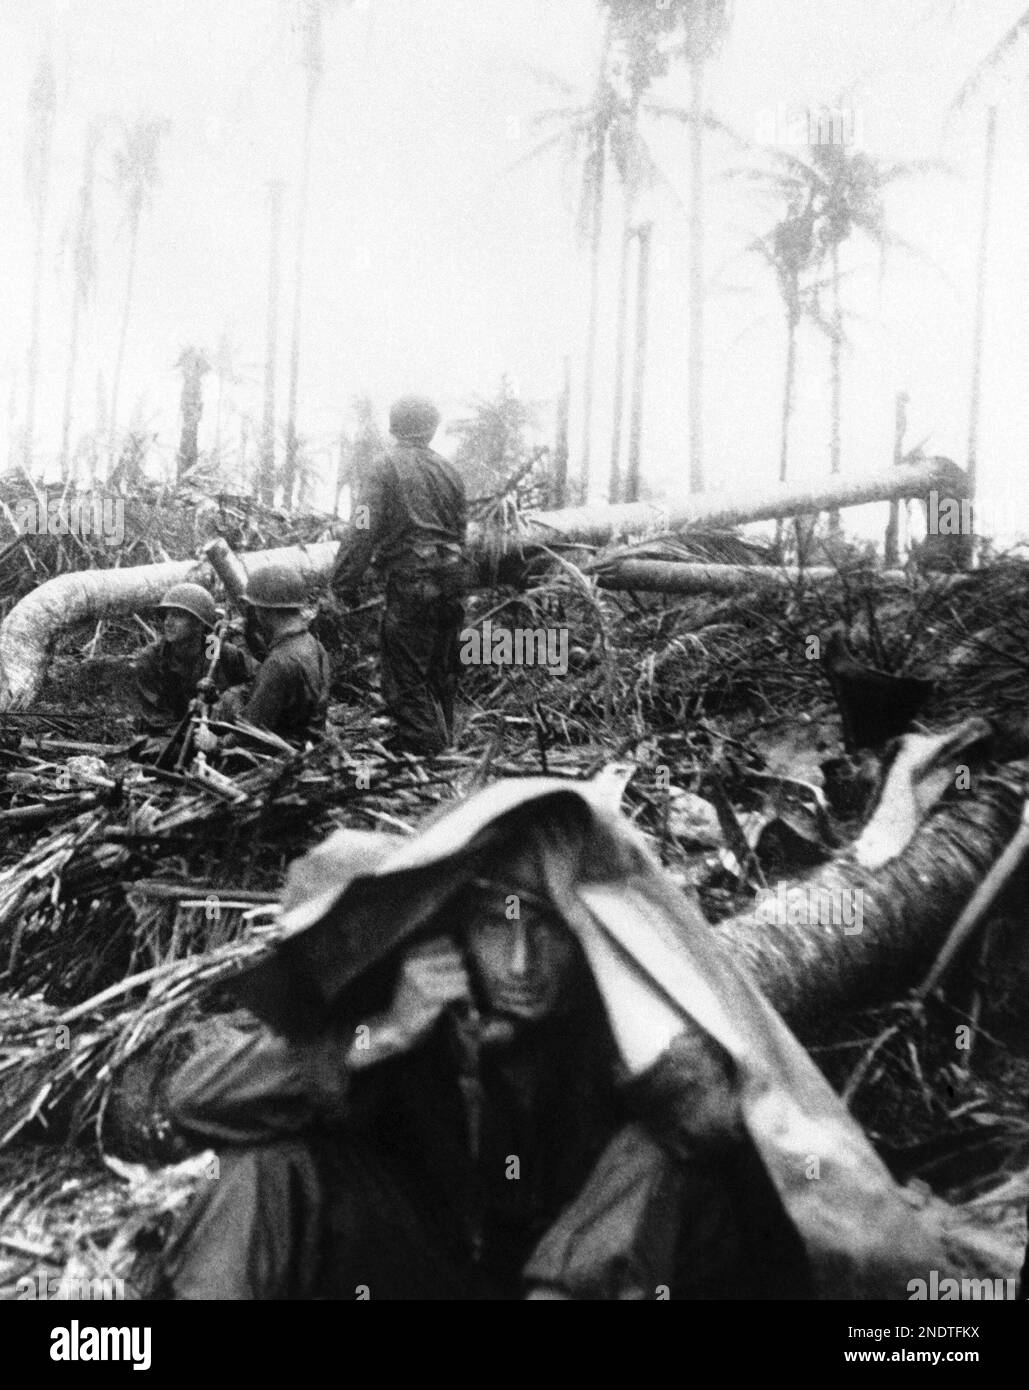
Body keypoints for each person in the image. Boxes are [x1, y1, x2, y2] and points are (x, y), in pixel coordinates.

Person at [158, 798, 815, 1302]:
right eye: (496, 927)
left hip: (578, 1278)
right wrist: (383, 1035)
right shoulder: (417, 998)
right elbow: (194, 1101)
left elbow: (719, 1133)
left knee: (656, 1156)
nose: (522, 962)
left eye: (546, 931)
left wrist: (648, 1048)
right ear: (455, 929)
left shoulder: (616, 1012)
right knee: (265, 1171)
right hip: (435, 1271)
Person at [329, 394, 467, 755]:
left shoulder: (385, 466)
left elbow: (362, 524)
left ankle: (431, 761)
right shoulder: (450, 472)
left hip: (412, 588)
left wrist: (343, 582)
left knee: (405, 682)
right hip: (452, 587)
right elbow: (460, 533)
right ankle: (437, 747)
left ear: (395, 426)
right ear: (431, 429)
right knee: (440, 678)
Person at [220, 565, 329, 745]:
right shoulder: (314, 644)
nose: (254, 614)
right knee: (231, 696)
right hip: (309, 737)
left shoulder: (278, 662)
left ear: (264, 611)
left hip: (284, 746)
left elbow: (250, 731)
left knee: (229, 698)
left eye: (255, 609)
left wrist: (217, 743)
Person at [134, 583, 249, 734]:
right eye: (167, 615)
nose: (168, 622)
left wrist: (219, 700)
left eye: (178, 615)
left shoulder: (216, 650)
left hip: (217, 733)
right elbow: (157, 719)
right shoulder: (151, 659)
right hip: (171, 736)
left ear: (199, 623)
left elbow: (246, 692)